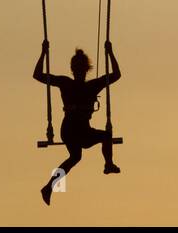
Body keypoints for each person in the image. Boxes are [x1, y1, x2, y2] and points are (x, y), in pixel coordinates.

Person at [33, 40, 121, 205]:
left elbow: (38, 75)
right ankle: (108, 164)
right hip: (76, 130)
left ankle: (48, 187)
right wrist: (110, 52)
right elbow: (116, 75)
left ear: (73, 69)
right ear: (85, 69)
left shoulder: (67, 83)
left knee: (75, 157)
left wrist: (44, 52)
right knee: (103, 137)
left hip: (70, 130)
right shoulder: (90, 86)